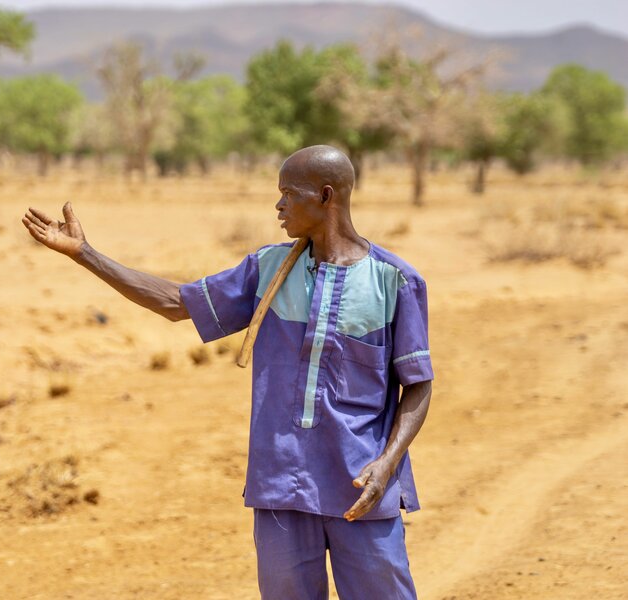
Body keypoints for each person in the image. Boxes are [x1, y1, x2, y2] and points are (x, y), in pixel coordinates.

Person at [22, 145, 434, 600]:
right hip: (282, 485)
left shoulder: (395, 281)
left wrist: (388, 463)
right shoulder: (267, 269)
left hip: (362, 488)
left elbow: (417, 385)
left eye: (288, 194)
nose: (278, 206)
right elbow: (175, 303)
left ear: (325, 195)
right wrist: (85, 254)